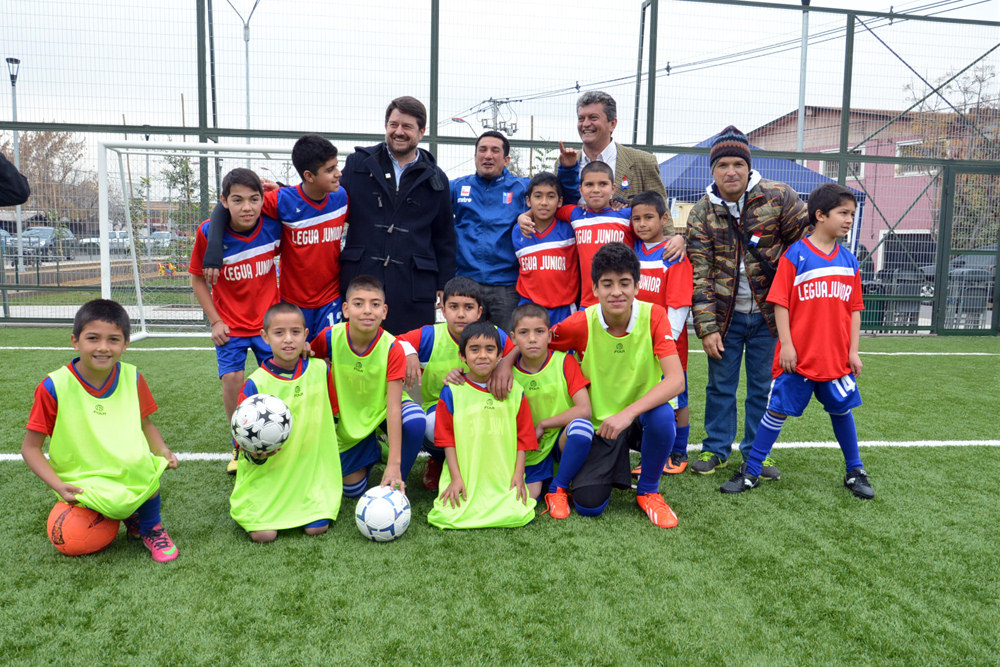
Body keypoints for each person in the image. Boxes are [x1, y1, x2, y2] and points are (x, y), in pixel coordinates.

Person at [721, 184, 874, 499]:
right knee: (776, 411)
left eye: (852, 215)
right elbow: (781, 303)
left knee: (842, 411)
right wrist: (787, 346)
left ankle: (855, 470)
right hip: (799, 357)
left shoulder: (849, 261)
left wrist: (853, 352)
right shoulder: (796, 256)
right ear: (820, 215)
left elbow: (855, 309)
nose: (849, 220)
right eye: (843, 213)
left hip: (836, 360)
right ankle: (751, 471)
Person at [686, 125, 810, 478]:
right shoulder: (701, 213)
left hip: (771, 317)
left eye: (737, 164)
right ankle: (715, 449)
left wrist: (795, 309)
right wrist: (707, 328)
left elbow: (804, 249)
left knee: (762, 388)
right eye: (723, 164)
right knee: (720, 386)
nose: (731, 171)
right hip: (726, 318)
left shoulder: (779, 197)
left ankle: (759, 452)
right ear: (712, 170)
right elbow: (701, 275)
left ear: (748, 166)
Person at [21, 299, 179, 561]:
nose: (103, 348)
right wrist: (58, 485)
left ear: (126, 344)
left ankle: (151, 527)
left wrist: (162, 451)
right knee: (115, 503)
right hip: (81, 477)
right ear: (75, 341)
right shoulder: (53, 386)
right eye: (93, 338)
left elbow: (146, 423)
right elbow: (30, 448)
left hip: (125, 468)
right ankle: (130, 515)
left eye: (114, 340)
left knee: (150, 469)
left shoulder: (133, 377)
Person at [548, 242, 685, 528]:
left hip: (635, 420)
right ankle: (580, 468)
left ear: (637, 286)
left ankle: (648, 490)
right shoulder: (580, 323)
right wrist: (506, 358)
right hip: (599, 427)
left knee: (662, 415)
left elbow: (676, 381)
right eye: (607, 284)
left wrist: (628, 414)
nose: (616, 292)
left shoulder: (654, 316)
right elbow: (534, 341)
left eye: (624, 283)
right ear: (595, 289)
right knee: (589, 506)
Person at [200, 134, 348, 339]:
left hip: (330, 299)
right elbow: (229, 206)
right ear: (309, 175)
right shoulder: (280, 200)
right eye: (330, 169)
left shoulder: (341, 197)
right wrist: (214, 248)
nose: (338, 174)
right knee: (295, 362)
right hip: (292, 302)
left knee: (328, 358)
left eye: (336, 166)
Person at [189, 168, 280, 474]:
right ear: (223, 201)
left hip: (269, 325)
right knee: (232, 380)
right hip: (231, 324)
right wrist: (214, 320)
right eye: (238, 200)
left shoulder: (272, 227)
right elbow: (197, 278)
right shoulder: (207, 233)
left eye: (254, 199)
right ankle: (240, 444)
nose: (247, 207)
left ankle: (280, 437)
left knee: (281, 380)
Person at [339, 96, 456, 334]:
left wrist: (445, 284)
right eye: (393, 125)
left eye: (407, 126)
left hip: (413, 285)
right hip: (363, 279)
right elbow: (327, 198)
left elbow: (444, 237)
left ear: (421, 132)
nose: (398, 132)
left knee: (410, 358)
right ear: (386, 126)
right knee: (358, 354)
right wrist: (282, 191)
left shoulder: (437, 178)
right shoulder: (357, 164)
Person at [230, 302, 343, 542]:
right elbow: (240, 438)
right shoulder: (255, 384)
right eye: (279, 333)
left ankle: (310, 501)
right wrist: (255, 455)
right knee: (264, 535)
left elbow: (334, 414)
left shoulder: (321, 370)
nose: (288, 339)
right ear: (265, 337)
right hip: (269, 476)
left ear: (305, 335)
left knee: (316, 528)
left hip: (311, 478)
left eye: (295, 332)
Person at [395, 276, 515, 491]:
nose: (461, 314)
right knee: (430, 425)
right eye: (454, 306)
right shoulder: (429, 335)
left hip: (486, 408)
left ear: (479, 311)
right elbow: (391, 341)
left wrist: (504, 364)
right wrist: (409, 351)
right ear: (443, 308)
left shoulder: (495, 334)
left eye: (468, 307)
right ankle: (439, 462)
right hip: (439, 408)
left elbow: (518, 351)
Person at [310, 275, 426, 495]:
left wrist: (394, 464)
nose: (367, 310)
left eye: (375, 304)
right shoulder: (329, 337)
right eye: (358, 303)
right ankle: (375, 450)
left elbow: (393, 406)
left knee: (415, 420)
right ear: (345, 309)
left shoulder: (392, 347)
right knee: (352, 491)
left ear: (384, 311)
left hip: (382, 407)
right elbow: (309, 363)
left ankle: (394, 480)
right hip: (349, 416)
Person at [451, 133, 580, 330]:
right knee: (469, 347)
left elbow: (560, 199)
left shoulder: (521, 187)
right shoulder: (458, 187)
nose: (488, 155)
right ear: (475, 155)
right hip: (467, 285)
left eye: (495, 150)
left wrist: (568, 169)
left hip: (507, 287)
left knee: (509, 348)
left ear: (506, 159)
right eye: (483, 150)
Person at [427, 321, 537, 529]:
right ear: (462, 356)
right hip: (466, 477)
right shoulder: (451, 391)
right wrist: (456, 479)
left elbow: (523, 439)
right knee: (447, 515)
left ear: (499, 355)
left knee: (517, 515)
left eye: (490, 349)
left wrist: (517, 476)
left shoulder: (515, 391)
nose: (483, 355)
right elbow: (447, 440)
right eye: (474, 349)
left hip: (502, 478)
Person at [509, 303, 594, 518]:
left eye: (539, 331)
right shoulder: (506, 373)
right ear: (513, 338)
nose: (532, 338)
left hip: (559, 441)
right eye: (524, 333)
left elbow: (584, 409)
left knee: (581, 428)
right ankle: (544, 482)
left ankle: (559, 487)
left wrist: (544, 424)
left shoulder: (564, 362)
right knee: (528, 498)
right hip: (528, 448)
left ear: (549, 335)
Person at [629, 190, 693, 474]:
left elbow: (678, 304)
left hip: (667, 345)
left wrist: (663, 339)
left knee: (677, 400)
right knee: (647, 396)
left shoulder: (673, 253)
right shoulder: (632, 252)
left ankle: (679, 452)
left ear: (664, 218)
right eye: (636, 219)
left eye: (649, 218)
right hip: (637, 344)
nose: (642, 224)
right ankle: (654, 452)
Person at [511, 171, 580, 326]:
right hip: (528, 309)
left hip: (564, 310)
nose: (544, 202)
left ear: (560, 201)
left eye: (550, 196)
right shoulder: (518, 231)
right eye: (538, 196)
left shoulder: (570, 228)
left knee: (564, 351)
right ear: (528, 201)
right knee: (531, 349)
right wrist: (521, 217)